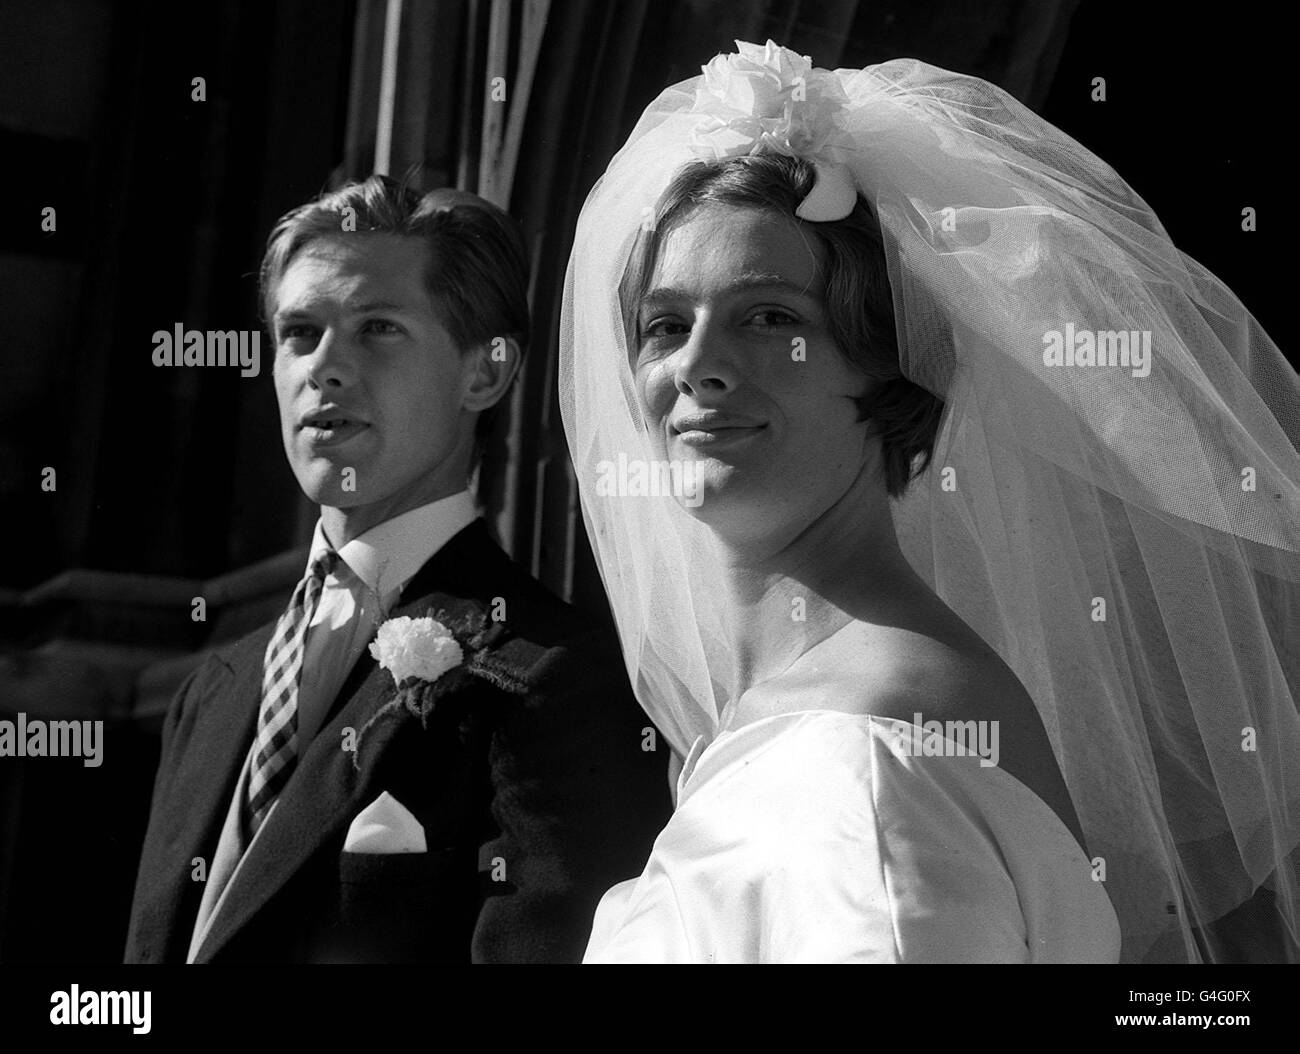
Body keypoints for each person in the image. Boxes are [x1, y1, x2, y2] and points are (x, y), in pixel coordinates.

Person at [559, 41, 1300, 962]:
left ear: (891, 372)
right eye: (666, 324)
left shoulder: (863, 754)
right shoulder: (797, 711)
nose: (696, 365)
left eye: (771, 319)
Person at [124, 176, 669, 963]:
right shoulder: (209, 693)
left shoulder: (561, 682)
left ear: (485, 373)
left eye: (377, 327)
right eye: (299, 333)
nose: (326, 367)